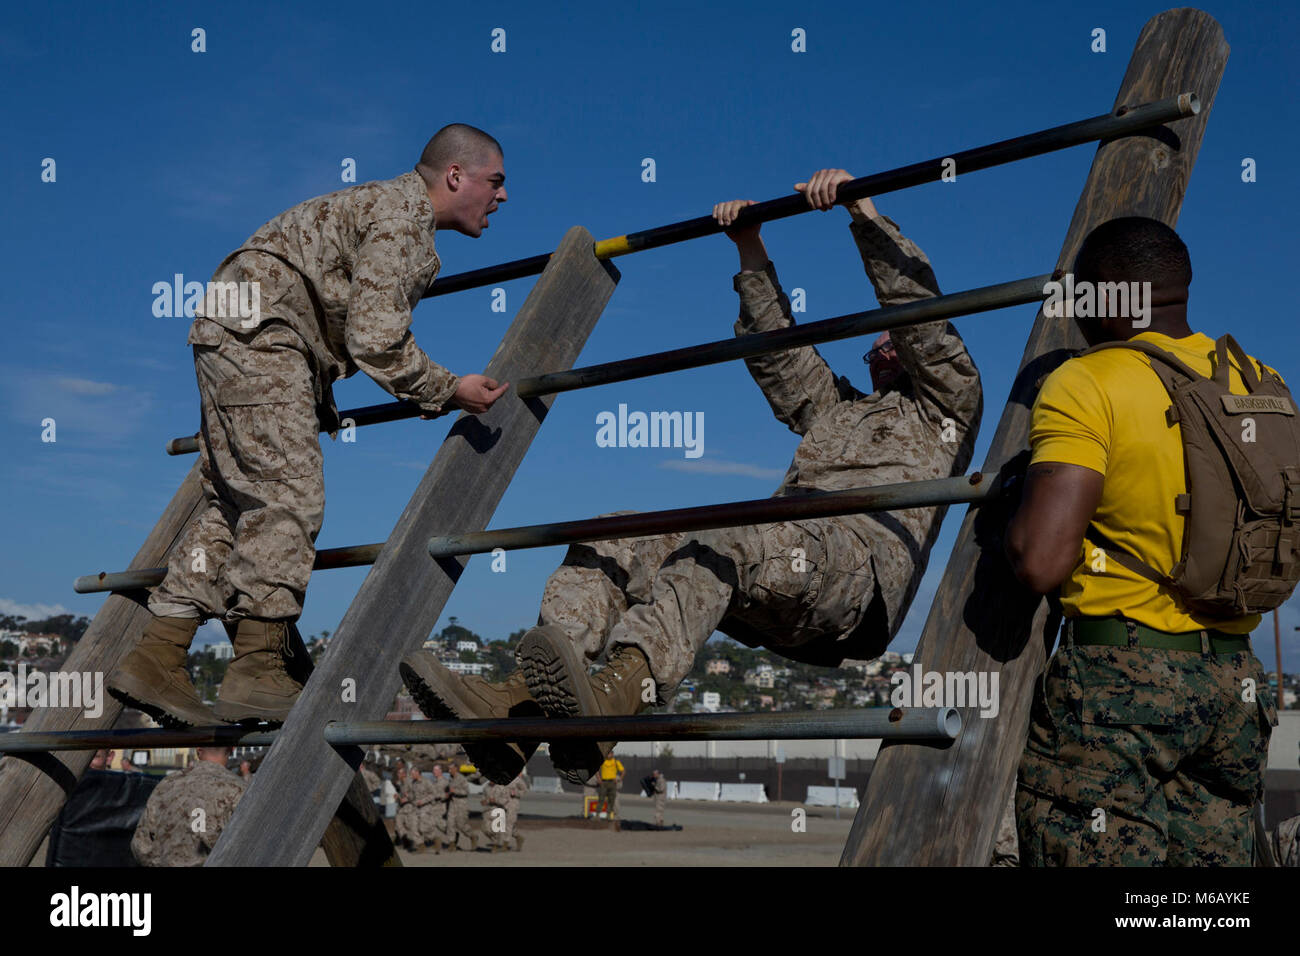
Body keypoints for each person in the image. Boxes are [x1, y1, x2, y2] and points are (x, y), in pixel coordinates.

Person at [401, 167, 981, 785]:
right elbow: (780, 354)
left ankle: (618, 700)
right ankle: (518, 713)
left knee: (735, 533)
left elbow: (925, 322)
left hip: (856, 577)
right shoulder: (836, 414)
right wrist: (750, 246)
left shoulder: (947, 407)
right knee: (617, 535)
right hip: (779, 565)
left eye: (894, 340)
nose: (885, 345)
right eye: (877, 345)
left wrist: (862, 212)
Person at [108, 124, 511, 729]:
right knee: (290, 493)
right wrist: (447, 388)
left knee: (233, 502)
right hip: (264, 336)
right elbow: (374, 339)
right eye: (495, 182)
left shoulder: (380, 207)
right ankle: (258, 667)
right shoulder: (403, 221)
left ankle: (158, 653)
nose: (502, 197)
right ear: (456, 176)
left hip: (238, 327)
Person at [1005, 217, 1295, 866]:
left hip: (1120, 685)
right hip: (1235, 686)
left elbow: (1040, 560)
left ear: (1109, 295)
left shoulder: (1089, 380)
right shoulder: (1257, 379)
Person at [131, 746, 246, 866]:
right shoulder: (239, 789)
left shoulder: (167, 784)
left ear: (198, 749)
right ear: (232, 749)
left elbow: (140, 845)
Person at [445, 765, 479, 851]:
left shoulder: (462, 779)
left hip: (461, 804)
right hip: (452, 804)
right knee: (450, 824)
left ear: (455, 769)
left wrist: (455, 791)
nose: (449, 771)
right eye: (449, 769)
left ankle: (472, 836)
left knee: (461, 824)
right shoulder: (450, 779)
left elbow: (466, 791)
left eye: (450, 769)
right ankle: (452, 844)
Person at [424, 764, 451, 851]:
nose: (433, 772)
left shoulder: (445, 782)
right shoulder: (434, 782)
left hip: (441, 806)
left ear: (440, 771)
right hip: (433, 806)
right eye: (433, 770)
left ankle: (452, 833)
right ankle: (435, 842)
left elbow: (448, 795)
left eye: (435, 770)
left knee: (438, 823)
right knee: (432, 823)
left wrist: (439, 796)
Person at [392, 765, 419, 851]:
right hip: (402, 807)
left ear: (404, 774)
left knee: (411, 826)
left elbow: (415, 794)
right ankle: (406, 842)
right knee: (398, 824)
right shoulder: (401, 783)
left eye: (399, 774)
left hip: (410, 807)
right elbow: (402, 794)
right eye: (397, 774)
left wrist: (407, 798)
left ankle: (416, 843)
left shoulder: (410, 782)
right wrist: (398, 796)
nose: (398, 775)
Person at [597, 753, 624, 828]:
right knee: (601, 799)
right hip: (604, 782)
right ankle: (597, 815)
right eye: (608, 754)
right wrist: (599, 779)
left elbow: (623, 771)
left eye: (610, 754)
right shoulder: (602, 761)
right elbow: (596, 770)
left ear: (612, 754)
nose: (609, 755)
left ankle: (608, 815)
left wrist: (619, 779)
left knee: (611, 800)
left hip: (612, 782)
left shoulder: (615, 762)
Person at [505, 772, 527, 851]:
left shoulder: (517, 780)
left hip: (512, 804)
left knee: (509, 824)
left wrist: (516, 793)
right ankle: (518, 837)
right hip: (502, 804)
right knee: (506, 825)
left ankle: (505, 844)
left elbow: (524, 791)